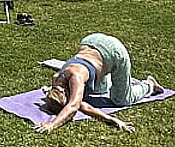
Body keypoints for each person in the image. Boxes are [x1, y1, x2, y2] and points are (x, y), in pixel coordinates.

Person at [34, 32, 162, 134]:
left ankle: (149, 85)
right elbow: (82, 106)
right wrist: (113, 120)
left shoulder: (75, 76)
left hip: (114, 51)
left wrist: (52, 124)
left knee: (122, 100)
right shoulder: (57, 79)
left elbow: (73, 106)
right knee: (97, 89)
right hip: (90, 41)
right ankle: (105, 75)